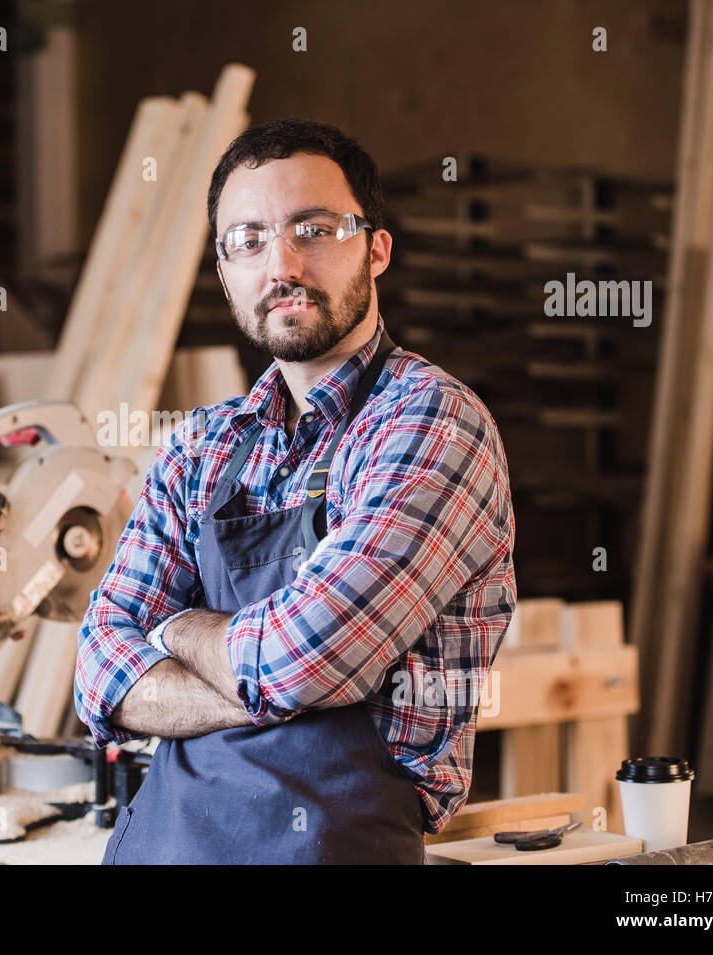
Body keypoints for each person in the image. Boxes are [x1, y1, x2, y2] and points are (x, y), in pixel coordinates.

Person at [74, 118, 517, 864]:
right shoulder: (199, 446)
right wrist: (289, 691)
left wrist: (178, 628)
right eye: (247, 240)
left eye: (312, 229)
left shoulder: (433, 423)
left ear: (376, 247)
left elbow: (305, 662)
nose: (280, 262)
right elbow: (100, 673)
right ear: (224, 272)